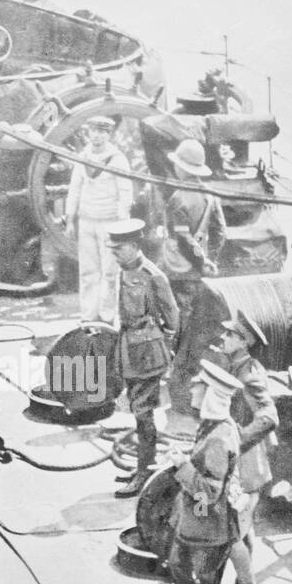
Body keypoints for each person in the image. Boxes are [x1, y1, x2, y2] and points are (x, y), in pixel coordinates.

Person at [160, 358, 245, 584]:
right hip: (192, 523)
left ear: (210, 393)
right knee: (180, 568)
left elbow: (209, 493)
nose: (193, 385)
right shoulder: (211, 426)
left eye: (199, 383)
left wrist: (182, 465)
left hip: (211, 528)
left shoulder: (220, 437)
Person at [107, 219, 179, 498]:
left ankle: (144, 473)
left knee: (142, 412)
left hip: (148, 352)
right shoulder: (124, 271)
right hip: (128, 347)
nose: (115, 254)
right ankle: (142, 466)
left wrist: (166, 347)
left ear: (135, 246)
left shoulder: (153, 275)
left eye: (119, 249)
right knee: (138, 411)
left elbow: (172, 316)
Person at [214, 311, 278, 584]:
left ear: (243, 342)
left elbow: (268, 417)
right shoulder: (242, 367)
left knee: (232, 534)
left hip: (247, 465)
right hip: (246, 462)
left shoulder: (249, 376)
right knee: (244, 528)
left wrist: (237, 439)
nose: (223, 338)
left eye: (229, 334)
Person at [159, 137, 228, 413]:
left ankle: (175, 379)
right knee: (194, 326)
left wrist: (199, 261)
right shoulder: (210, 195)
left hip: (179, 271)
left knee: (177, 324)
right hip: (200, 273)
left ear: (183, 169)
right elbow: (221, 232)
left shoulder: (178, 198)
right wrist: (210, 260)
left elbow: (183, 237)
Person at [65, 115, 132, 324]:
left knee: (110, 273)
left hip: (110, 223)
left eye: (102, 132)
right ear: (88, 132)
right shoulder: (83, 157)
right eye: (94, 131)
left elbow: (125, 192)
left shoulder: (118, 159)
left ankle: (107, 317)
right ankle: (88, 316)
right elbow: (74, 189)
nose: (97, 136)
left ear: (109, 134)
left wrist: (122, 224)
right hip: (86, 222)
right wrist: (70, 219)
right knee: (88, 272)